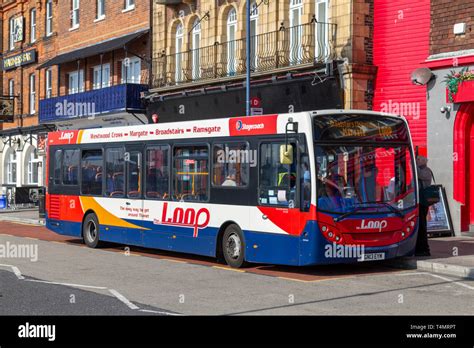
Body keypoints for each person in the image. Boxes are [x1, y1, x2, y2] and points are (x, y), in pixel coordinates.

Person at [415, 155, 433, 256]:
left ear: (424, 161)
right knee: (419, 225)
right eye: (416, 159)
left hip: (423, 202)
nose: (416, 161)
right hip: (419, 201)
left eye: (418, 160)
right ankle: (419, 248)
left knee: (422, 225)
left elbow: (419, 175)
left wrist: (412, 164)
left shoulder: (427, 171)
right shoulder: (421, 169)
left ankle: (425, 249)